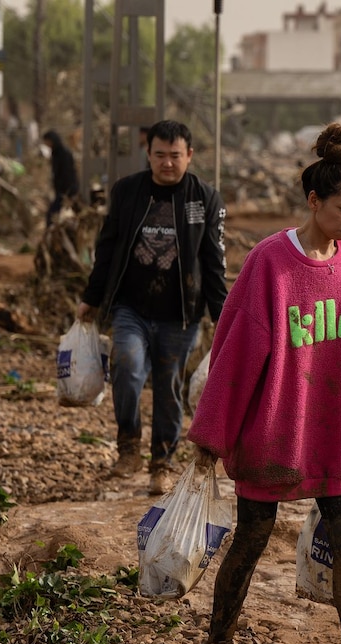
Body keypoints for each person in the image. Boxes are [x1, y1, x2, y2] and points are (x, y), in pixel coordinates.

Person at [188, 122, 341, 644]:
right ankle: (217, 641)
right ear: (314, 200)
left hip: (334, 427)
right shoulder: (270, 263)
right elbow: (235, 354)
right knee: (252, 535)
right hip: (275, 428)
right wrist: (211, 437)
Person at [77, 119, 228, 495]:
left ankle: (161, 462)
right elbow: (107, 249)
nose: (167, 163)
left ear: (189, 156)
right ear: (148, 154)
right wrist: (92, 299)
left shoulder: (204, 199)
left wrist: (222, 316)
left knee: (168, 387)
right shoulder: (128, 192)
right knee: (126, 367)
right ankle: (128, 445)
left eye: (175, 156)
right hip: (131, 308)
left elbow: (213, 262)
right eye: (159, 155)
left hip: (180, 314)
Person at [41, 130, 80, 228]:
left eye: (47, 142)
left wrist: (65, 191)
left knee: (53, 213)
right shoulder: (55, 153)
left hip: (67, 190)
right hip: (61, 190)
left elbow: (67, 173)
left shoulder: (64, 153)